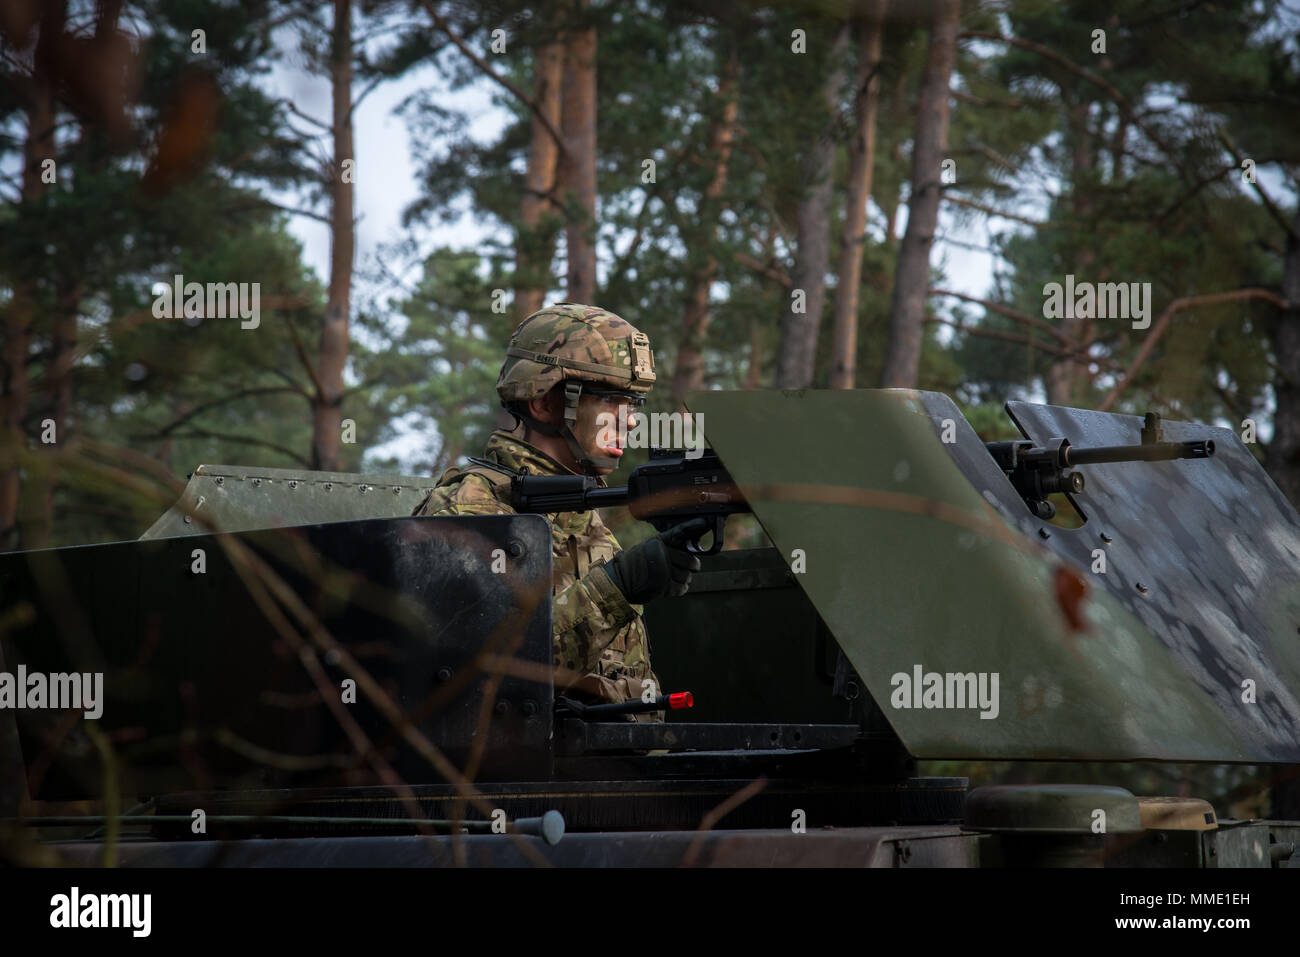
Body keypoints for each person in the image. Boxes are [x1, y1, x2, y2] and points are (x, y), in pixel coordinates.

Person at [411, 302, 701, 716]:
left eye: (634, 403)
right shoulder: (468, 511)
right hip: (526, 775)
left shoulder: (580, 509)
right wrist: (617, 587)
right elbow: (478, 676)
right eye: (612, 400)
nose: (631, 421)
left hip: (615, 764)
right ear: (544, 404)